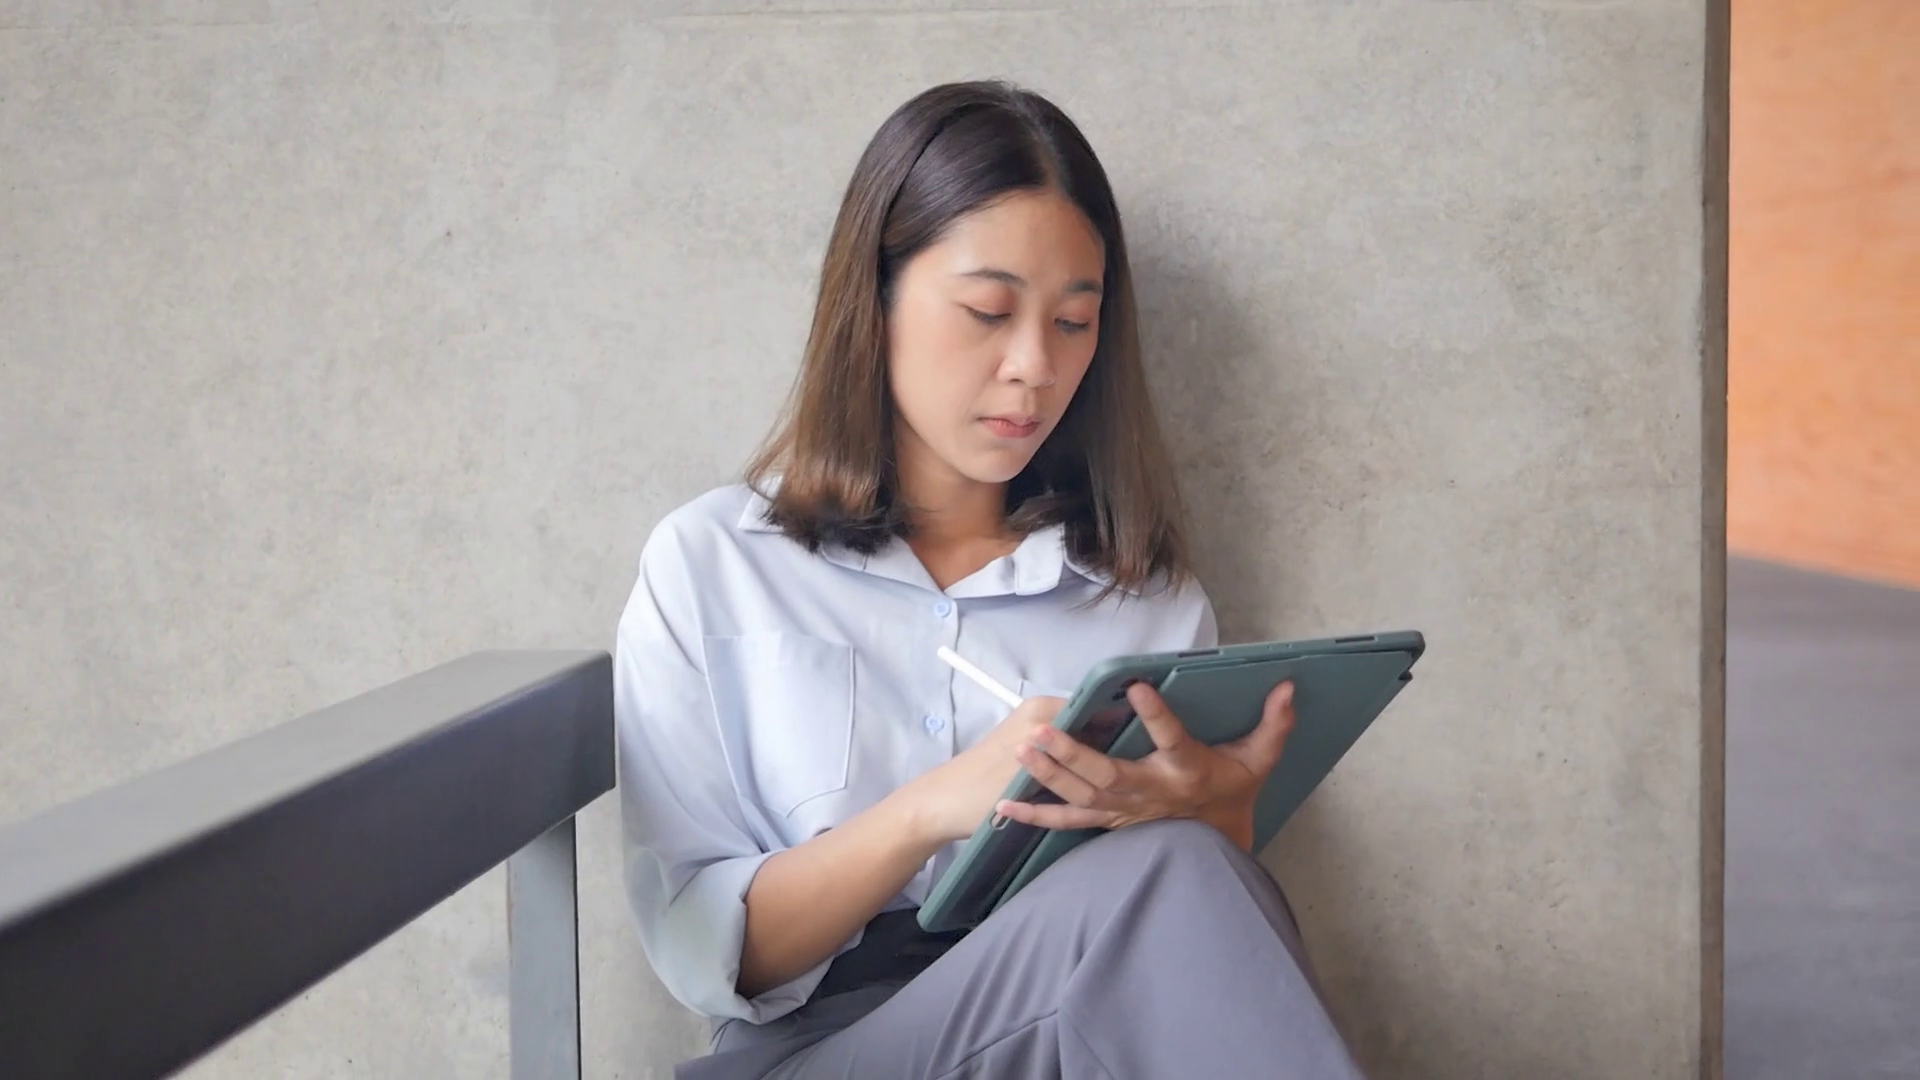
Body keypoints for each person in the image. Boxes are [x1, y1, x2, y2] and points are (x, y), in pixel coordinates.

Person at [615, 80, 1368, 1079]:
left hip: (1081, 1038)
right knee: (1161, 883)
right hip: (815, 1053)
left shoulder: (1145, 598)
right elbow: (703, 952)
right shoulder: (712, 565)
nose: (1033, 367)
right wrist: (933, 807)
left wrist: (1222, 821)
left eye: (1073, 323)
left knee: (1181, 870)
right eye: (987, 310)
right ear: (873, 300)